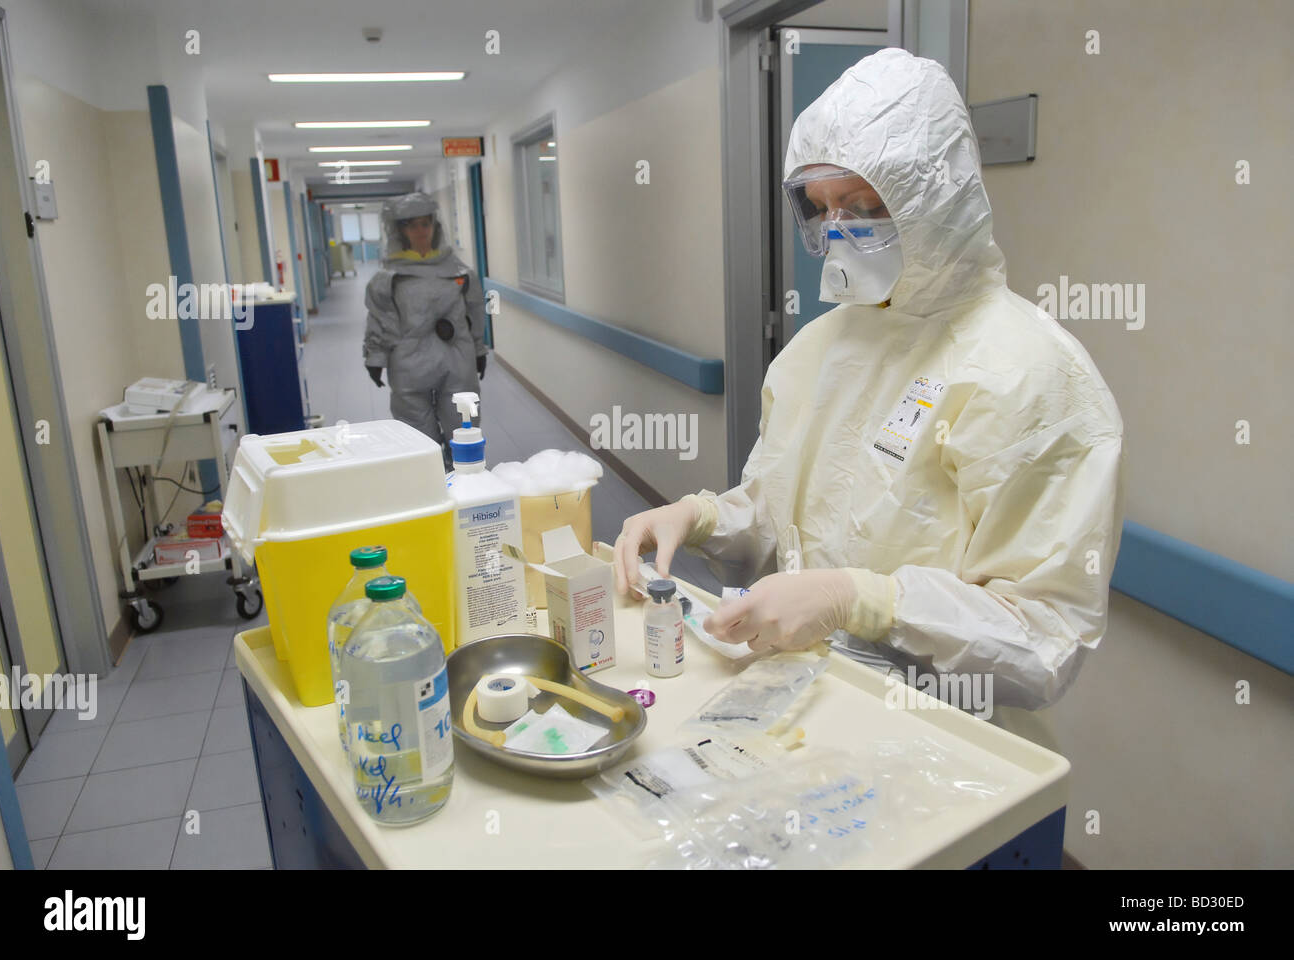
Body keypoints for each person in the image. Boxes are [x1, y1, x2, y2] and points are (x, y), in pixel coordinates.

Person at [614, 48, 1126, 712]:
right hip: (799, 696)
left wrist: (864, 601)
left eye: (861, 203)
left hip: (945, 740)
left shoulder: (1035, 376)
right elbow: (778, 522)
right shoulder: (820, 347)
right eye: (823, 207)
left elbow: (1046, 638)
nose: (839, 228)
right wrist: (703, 517)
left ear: (935, 199)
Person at [363, 192, 487, 467]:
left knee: (464, 428)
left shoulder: (461, 273)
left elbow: (475, 312)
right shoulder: (389, 279)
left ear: (435, 226)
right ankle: (433, 489)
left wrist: (479, 349)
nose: (421, 231)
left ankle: (466, 489)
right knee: (417, 437)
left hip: (456, 359)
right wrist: (375, 357)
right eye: (412, 225)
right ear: (400, 230)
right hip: (409, 363)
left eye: (425, 223)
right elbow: (380, 319)